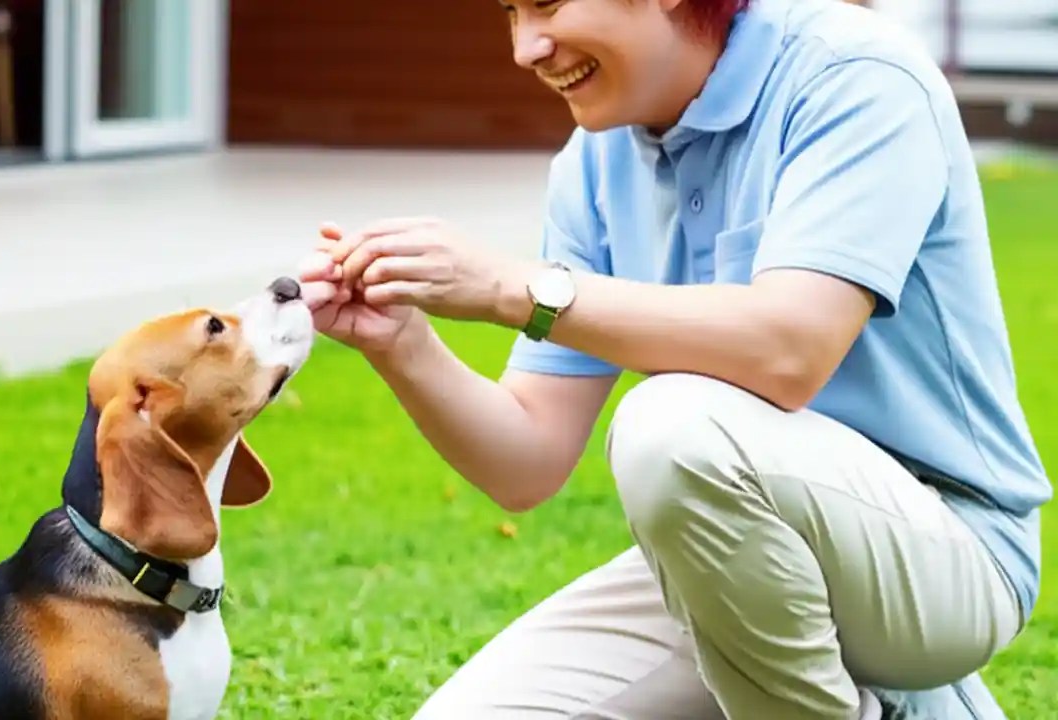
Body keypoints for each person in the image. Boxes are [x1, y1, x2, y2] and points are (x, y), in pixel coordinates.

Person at [297, 0, 1050, 717]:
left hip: (950, 554)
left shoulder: (854, 76)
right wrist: (402, 343)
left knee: (672, 425)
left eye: (548, 5)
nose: (524, 49)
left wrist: (514, 289)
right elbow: (526, 461)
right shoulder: (592, 163)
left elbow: (791, 348)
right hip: (741, 565)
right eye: (509, 14)